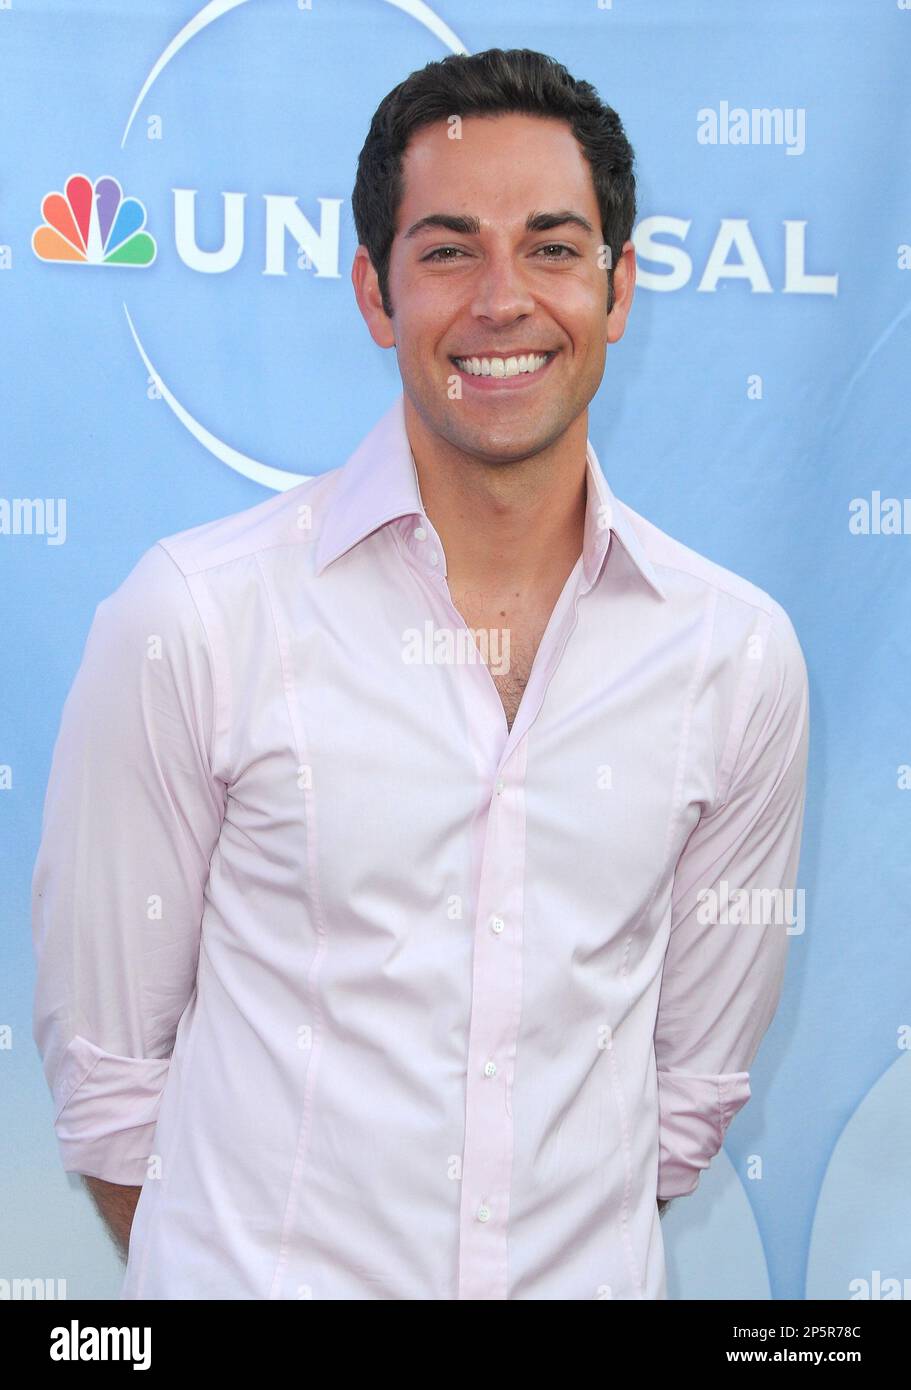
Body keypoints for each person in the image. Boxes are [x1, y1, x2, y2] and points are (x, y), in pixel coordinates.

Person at [31, 47, 809, 1300]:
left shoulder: (734, 655)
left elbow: (684, 1098)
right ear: (374, 295)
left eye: (552, 247)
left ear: (617, 291)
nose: (501, 300)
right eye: (447, 249)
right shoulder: (195, 617)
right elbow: (114, 1085)